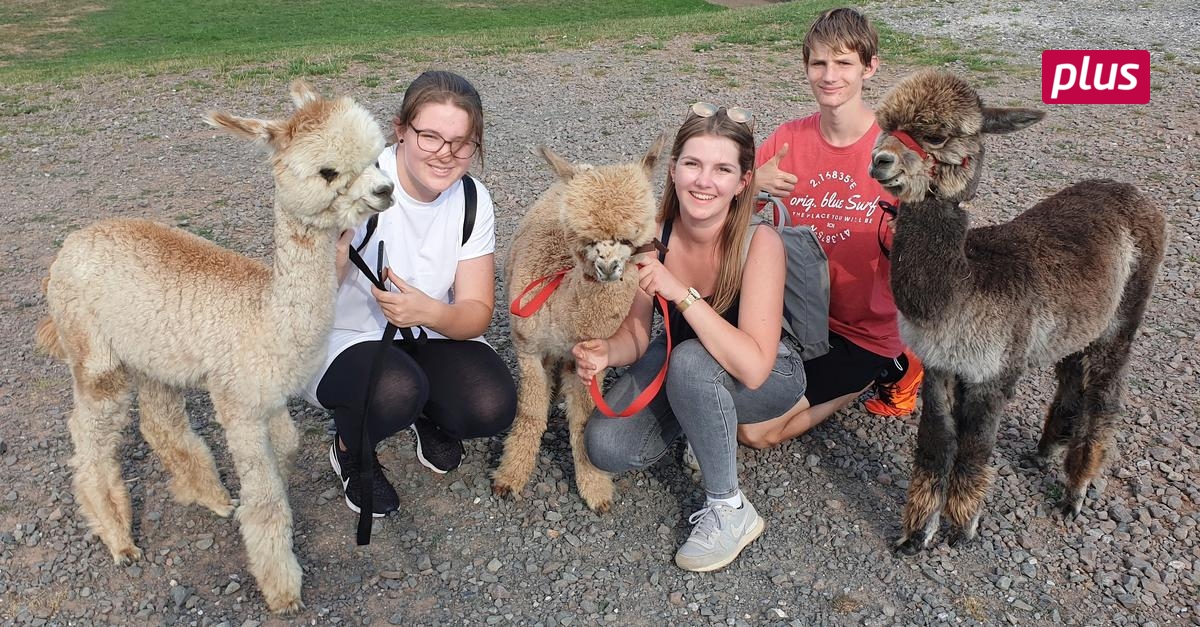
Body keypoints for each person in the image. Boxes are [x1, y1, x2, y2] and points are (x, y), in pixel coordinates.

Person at [577, 102, 799, 572]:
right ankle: (704, 423)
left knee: (692, 362)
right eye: (693, 164)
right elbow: (637, 335)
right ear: (674, 170)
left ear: (742, 183)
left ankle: (730, 508)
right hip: (684, 366)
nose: (703, 180)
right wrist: (605, 352)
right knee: (606, 448)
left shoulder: (760, 243)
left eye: (722, 169)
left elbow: (756, 366)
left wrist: (680, 292)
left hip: (768, 373)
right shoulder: (655, 234)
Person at [302, 70, 516, 517]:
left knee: (491, 404)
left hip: (424, 330)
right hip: (342, 336)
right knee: (394, 389)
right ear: (400, 129)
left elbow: (476, 312)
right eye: (430, 136)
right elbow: (302, 304)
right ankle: (350, 447)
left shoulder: (473, 199)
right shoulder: (355, 185)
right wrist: (336, 253)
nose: (446, 154)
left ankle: (425, 413)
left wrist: (430, 311)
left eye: (462, 142)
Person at [738, 7, 924, 450]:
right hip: (796, 315)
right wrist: (750, 188)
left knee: (755, 431)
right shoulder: (787, 141)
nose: (829, 75)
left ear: (870, 68)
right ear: (806, 67)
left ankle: (886, 368)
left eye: (844, 63)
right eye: (818, 63)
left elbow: (933, 250)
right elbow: (719, 211)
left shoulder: (900, 152)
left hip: (864, 330)